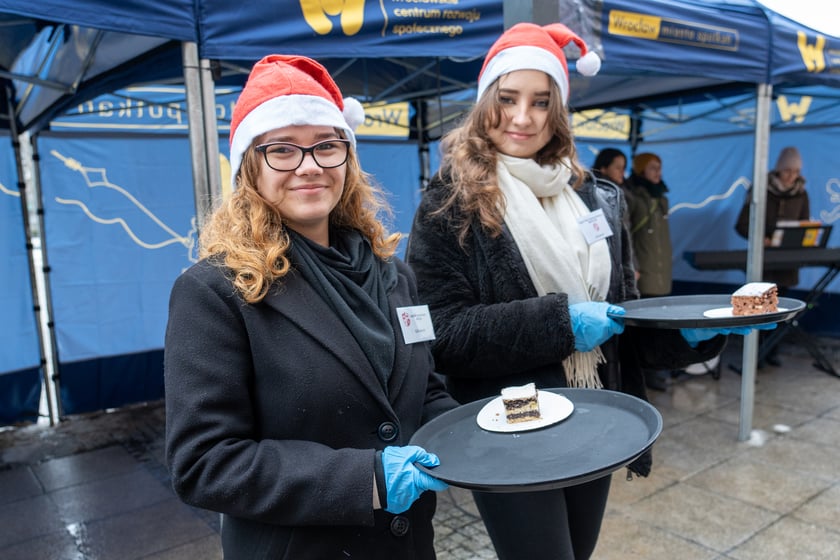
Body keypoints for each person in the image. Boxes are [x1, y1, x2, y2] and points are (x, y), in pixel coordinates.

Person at [405, 23, 752, 560]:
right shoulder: (450, 203)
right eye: (508, 98)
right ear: (485, 102)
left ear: (558, 111)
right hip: (509, 427)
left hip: (597, 413)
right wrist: (561, 323)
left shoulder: (597, 198)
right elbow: (442, 334)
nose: (523, 117)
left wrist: (689, 333)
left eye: (541, 102)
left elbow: (624, 320)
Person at [164, 54, 459, 559]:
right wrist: (366, 480)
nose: (310, 166)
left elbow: (423, 392)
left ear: (348, 158)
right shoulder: (214, 292)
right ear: (250, 167)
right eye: (282, 149)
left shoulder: (393, 274)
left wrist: (476, 433)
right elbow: (204, 462)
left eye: (327, 146)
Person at [735, 146, 810, 366]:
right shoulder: (760, 189)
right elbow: (741, 224)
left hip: (787, 264)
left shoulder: (802, 194)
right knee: (757, 309)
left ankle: (771, 351)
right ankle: (752, 355)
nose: (791, 176)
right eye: (787, 171)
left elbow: (804, 224)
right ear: (778, 169)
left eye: (796, 172)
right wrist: (761, 239)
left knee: (781, 310)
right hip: (763, 262)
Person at [624, 152, 674, 390]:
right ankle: (647, 374)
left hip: (660, 272)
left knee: (659, 326)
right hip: (642, 273)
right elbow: (627, 235)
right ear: (641, 169)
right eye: (653, 167)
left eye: (659, 167)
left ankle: (657, 371)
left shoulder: (660, 197)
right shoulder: (633, 197)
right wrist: (633, 266)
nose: (658, 173)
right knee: (645, 328)